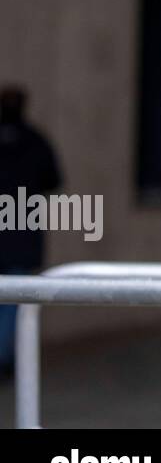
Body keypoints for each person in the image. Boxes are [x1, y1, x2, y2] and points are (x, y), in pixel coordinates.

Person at [0, 85, 63, 377]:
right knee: (14, 304)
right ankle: (4, 359)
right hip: (21, 234)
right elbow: (53, 179)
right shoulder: (37, 142)